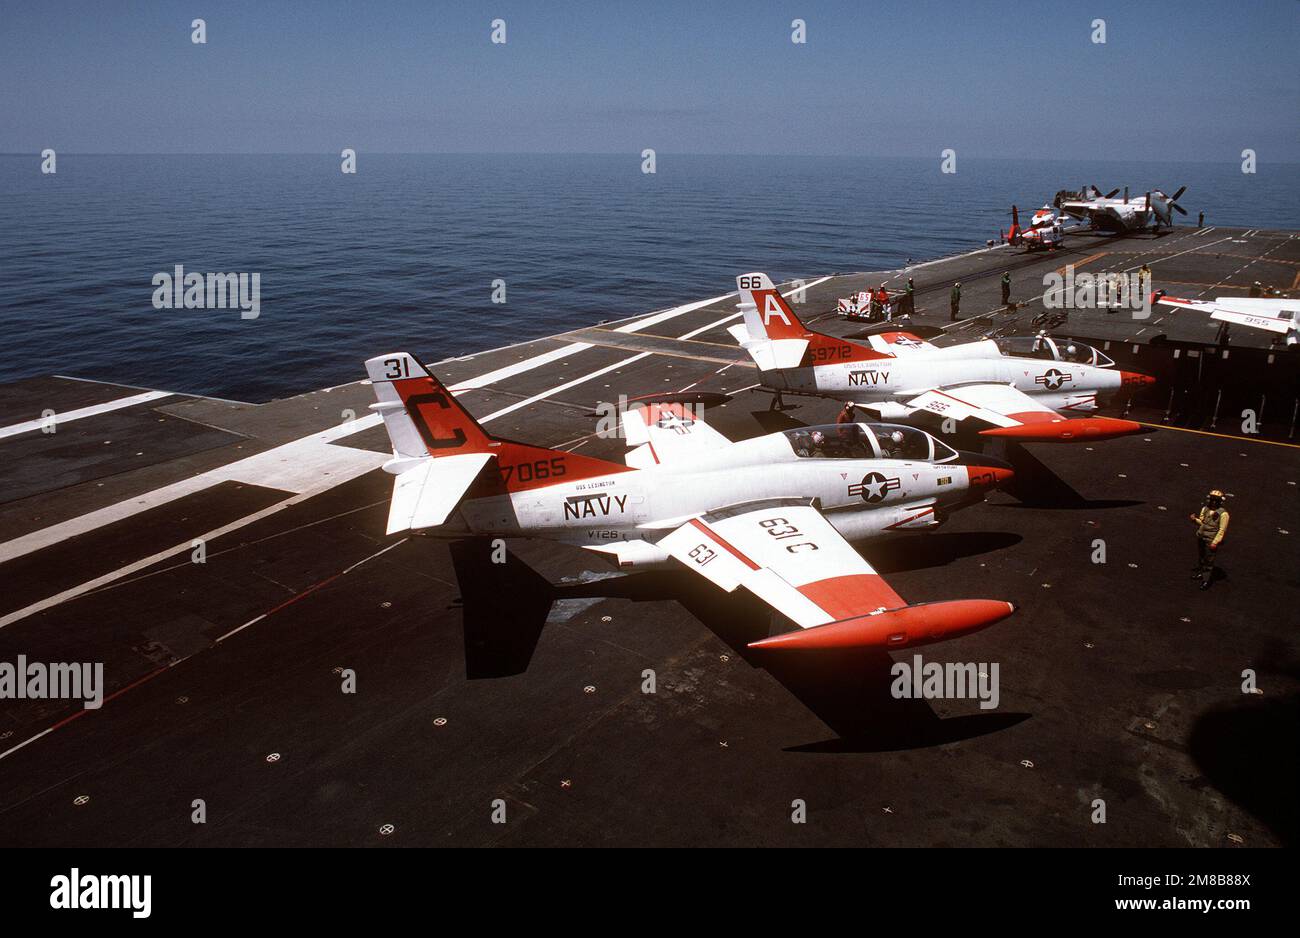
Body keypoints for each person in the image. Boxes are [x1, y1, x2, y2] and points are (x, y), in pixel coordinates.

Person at [1189, 490, 1229, 590]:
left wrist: (1215, 542)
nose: (1214, 502)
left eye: (1216, 500)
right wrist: (1195, 520)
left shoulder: (1223, 514)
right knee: (1202, 557)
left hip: (1211, 539)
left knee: (1209, 561)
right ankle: (1201, 573)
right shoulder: (1205, 509)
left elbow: (1222, 530)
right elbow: (1203, 523)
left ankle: (1206, 580)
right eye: (1212, 500)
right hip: (1201, 536)